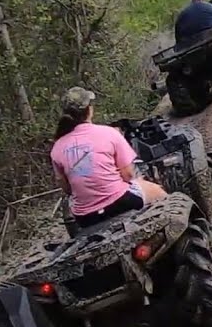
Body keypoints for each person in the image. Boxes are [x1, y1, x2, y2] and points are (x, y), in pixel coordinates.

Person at [50, 87, 167, 229]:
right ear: (90, 110)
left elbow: (67, 189)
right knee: (161, 196)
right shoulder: (109, 133)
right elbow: (128, 175)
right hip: (119, 203)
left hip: (84, 218)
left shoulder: (57, 147)